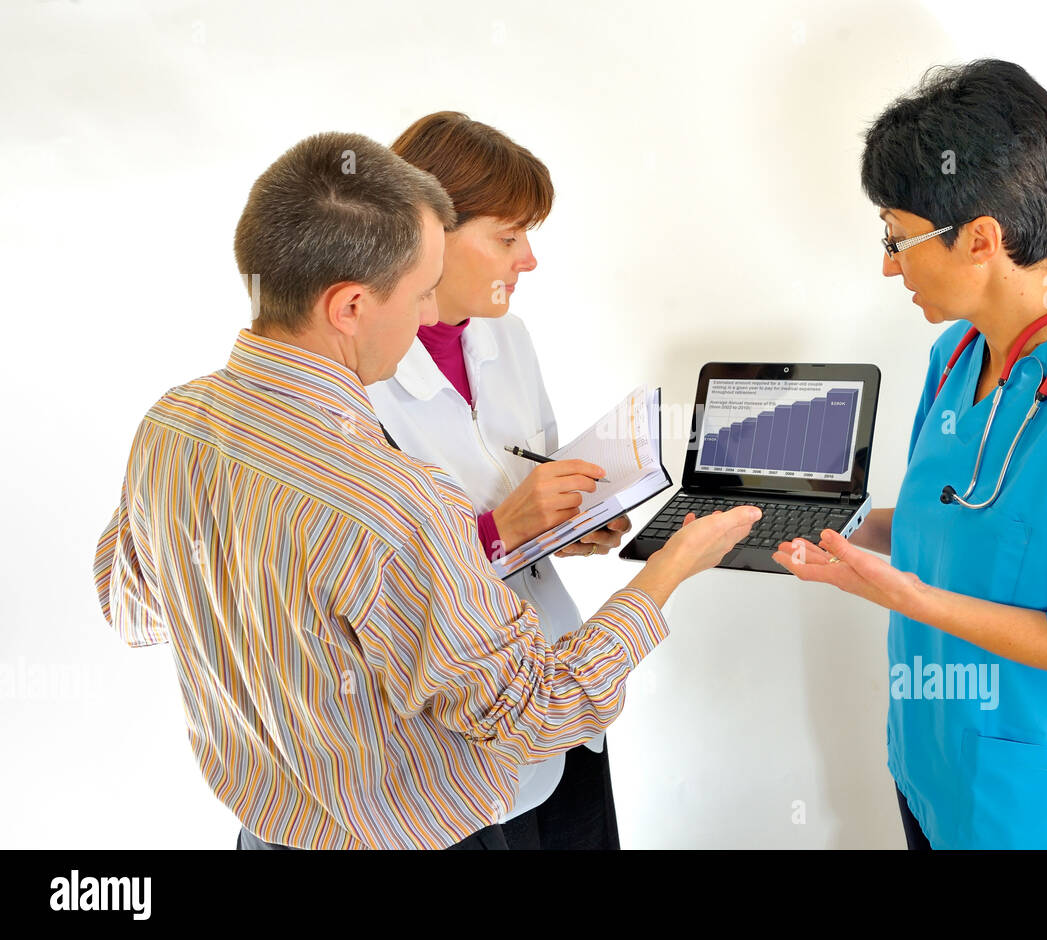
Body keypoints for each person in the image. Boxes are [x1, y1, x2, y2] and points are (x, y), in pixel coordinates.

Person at [93, 130, 760, 850]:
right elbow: (541, 709)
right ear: (349, 307)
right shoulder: (394, 495)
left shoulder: (173, 426)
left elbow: (132, 612)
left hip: (271, 831)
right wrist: (670, 569)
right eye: (418, 295)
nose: (427, 320)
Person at [773, 59, 1047, 850]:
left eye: (897, 238)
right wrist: (839, 525)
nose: (886, 263)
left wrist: (904, 597)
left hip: (1027, 801)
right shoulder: (957, 358)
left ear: (982, 240)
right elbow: (957, 527)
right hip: (929, 761)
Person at [366, 112, 632, 849]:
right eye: (508, 238)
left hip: (559, 691)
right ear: (425, 235)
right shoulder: (354, 376)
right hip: (458, 737)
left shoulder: (507, 337)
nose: (529, 262)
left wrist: (572, 520)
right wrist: (501, 529)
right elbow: (376, 579)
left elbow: (522, 476)